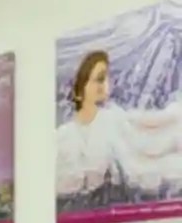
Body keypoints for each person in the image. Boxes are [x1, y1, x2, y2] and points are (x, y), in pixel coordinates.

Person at [56, 50, 182, 199]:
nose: (106, 84)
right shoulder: (65, 135)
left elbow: (147, 127)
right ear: (81, 85)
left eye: (106, 78)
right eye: (100, 78)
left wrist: (173, 116)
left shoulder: (111, 117)